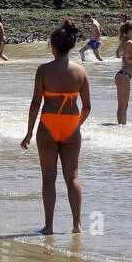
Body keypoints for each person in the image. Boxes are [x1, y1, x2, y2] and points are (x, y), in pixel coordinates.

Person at [21, 18, 91, 234]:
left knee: (49, 178)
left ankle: (49, 226)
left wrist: (29, 132)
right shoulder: (81, 71)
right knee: (73, 177)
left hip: (48, 125)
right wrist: (76, 125)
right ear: (70, 45)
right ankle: (77, 225)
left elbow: (35, 104)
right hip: (71, 126)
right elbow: (87, 107)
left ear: (53, 46)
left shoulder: (43, 70)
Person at [114, 19, 132, 124]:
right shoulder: (130, 42)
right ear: (130, 30)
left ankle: (120, 128)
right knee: (124, 106)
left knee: (121, 106)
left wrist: (126, 58)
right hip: (125, 75)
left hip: (121, 74)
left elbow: (117, 53)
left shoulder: (124, 40)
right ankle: (122, 127)